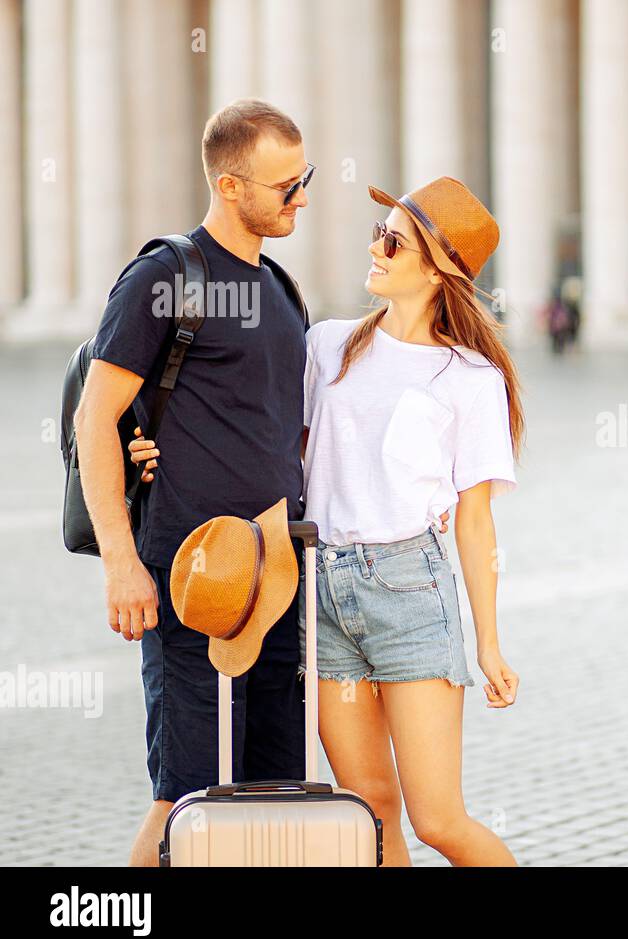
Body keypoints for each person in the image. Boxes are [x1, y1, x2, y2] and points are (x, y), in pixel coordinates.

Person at [131, 175, 523, 866]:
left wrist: (488, 644)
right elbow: (262, 431)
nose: (374, 247)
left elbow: (475, 524)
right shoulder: (330, 346)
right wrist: (154, 444)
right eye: (378, 232)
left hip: (410, 594)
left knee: (438, 820)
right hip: (319, 592)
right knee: (368, 808)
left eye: (393, 241)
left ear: (438, 269)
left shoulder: (470, 379)